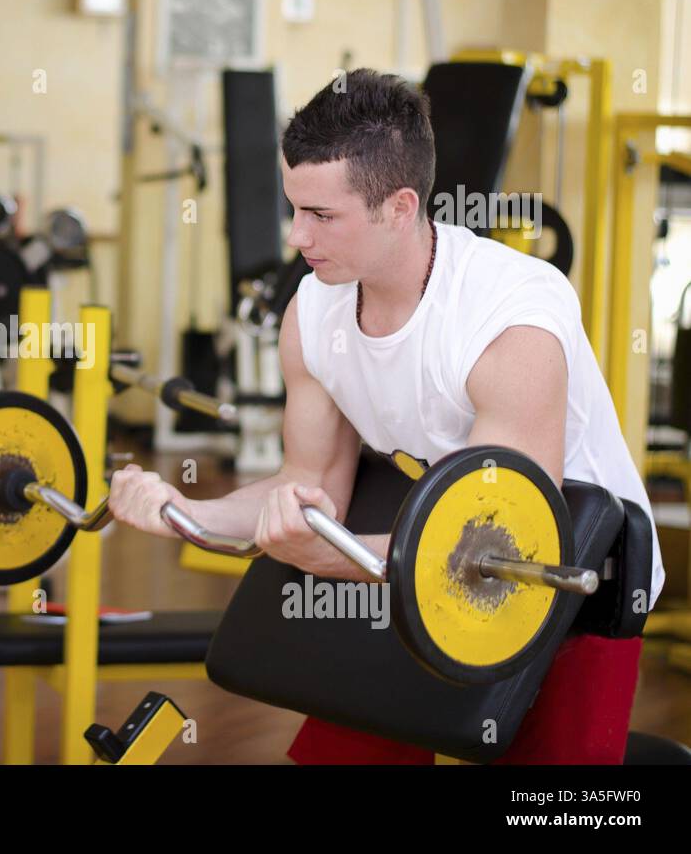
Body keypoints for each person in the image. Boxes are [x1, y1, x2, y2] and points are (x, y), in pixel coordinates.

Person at [107, 68, 665, 765]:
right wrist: (178, 508)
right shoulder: (313, 312)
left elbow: (500, 545)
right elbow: (308, 488)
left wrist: (328, 551)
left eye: (320, 216)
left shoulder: (508, 321)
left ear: (400, 207)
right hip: (416, 551)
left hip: (571, 567)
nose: (295, 238)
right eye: (293, 208)